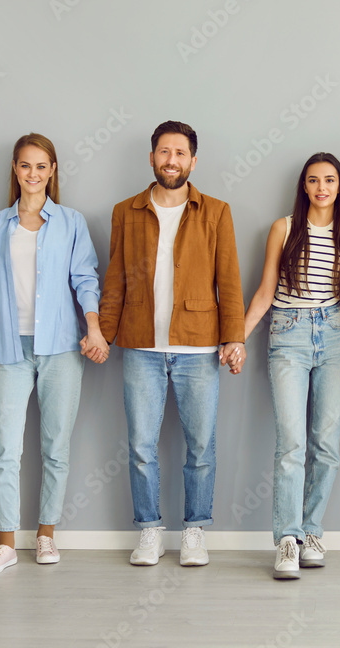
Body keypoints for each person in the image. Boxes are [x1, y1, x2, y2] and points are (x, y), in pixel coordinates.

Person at [98, 120, 245, 567]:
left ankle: (194, 531)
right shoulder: (126, 211)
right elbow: (116, 280)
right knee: (141, 445)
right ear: (152, 157)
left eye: (180, 153)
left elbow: (230, 282)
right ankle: (149, 531)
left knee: (200, 446)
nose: (171, 161)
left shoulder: (216, 211)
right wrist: (103, 334)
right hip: (140, 345)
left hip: (198, 347)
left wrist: (233, 338)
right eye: (164, 152)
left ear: (193, 161)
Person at [0, 133, 107, 575]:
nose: (33, 174)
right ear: (15, 170)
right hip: (12, 350)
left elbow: (85, 279)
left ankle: (47, 535)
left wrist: (93, 328)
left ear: (52, 171)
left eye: (41, 166)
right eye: (25, 166)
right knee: (4, 451)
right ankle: (6, 545)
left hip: (63, 349)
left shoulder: (71, 222)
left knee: (56, 447)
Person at [243, 153, 340, 580]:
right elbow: (264, 291)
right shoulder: (284, 228)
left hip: (334, 334)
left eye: (329, 180)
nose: (321, 188)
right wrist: (237, 337)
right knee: (292, 443)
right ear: (304, 186)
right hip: (289, 332)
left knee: (326, 443)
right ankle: (287, 541)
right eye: (313, 180)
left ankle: (313, 532)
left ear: (339, 186)